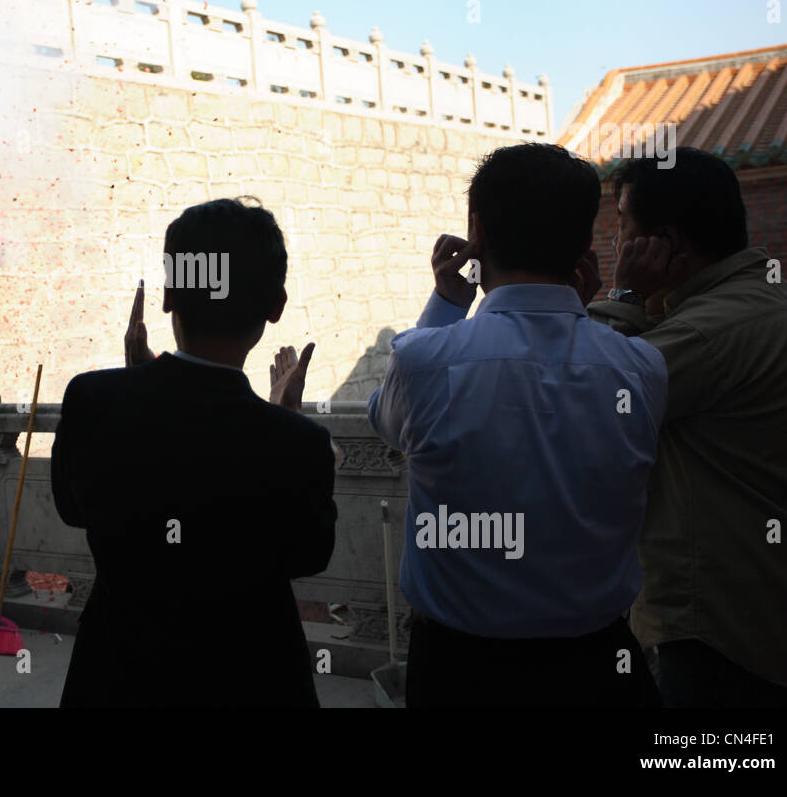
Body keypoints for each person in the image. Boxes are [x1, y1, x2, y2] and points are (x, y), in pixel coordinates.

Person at [367, 142, 667, 707]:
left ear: (477, 233)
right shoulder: (642, 368)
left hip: (460, 672)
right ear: (586, 243)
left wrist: (446, 304)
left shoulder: (427, 362)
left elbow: (388, 420)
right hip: (600, 666)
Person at [51, 197, 337, 707]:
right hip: (254, 679)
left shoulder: (91, 399)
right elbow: (308, 555)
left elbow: (74, 509)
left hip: (117, 678)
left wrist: (139, 383)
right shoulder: (299, 443)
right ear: (276, 306)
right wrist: (284, 422)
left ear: (168, 296)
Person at [587, 147, 787, 707]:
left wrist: (622, 296)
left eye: (622, 225)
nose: (616, 243)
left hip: (721, 628)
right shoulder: (772, 299)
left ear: (664, 244)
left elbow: (588, 396)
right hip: (774, 607)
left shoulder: (709, 333)